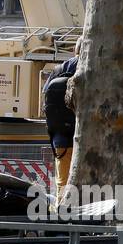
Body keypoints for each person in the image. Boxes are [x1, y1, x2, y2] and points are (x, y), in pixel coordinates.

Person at [43, 46, 80, 194]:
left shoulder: (58, 70)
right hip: (88, 139)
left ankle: (61, 213)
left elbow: (45, 98)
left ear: (75, 50)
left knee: (62, 184)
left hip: (61, 139)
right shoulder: (94, 68)